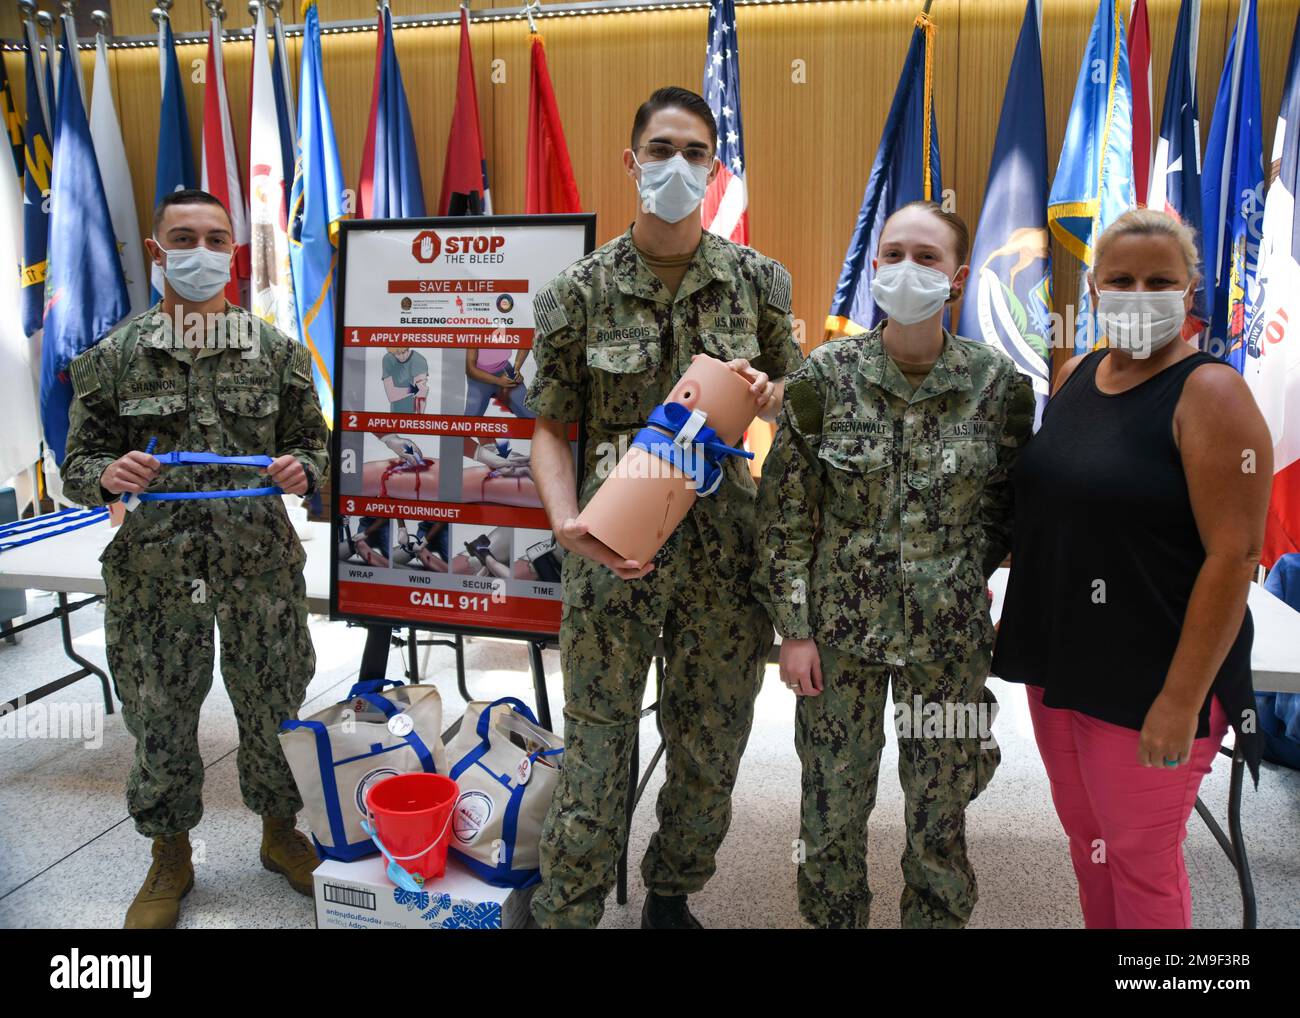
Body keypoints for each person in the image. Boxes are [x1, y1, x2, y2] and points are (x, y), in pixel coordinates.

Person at [525, 86, 804, 929]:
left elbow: (797, 394)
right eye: (661, 150)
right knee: (598, 748)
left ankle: (671, 894)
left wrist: (769, 392)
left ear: (714, 169)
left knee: (710, 745)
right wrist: (564, 521)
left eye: (694, 153)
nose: (676, 166)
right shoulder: (577, 290)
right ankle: (567, 908)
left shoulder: (757, 281)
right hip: (612, 551)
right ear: (631, 160)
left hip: (724, 557)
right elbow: (548, 426)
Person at [754, 201, 1035, 929]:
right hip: (838, 637)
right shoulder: (823, 376)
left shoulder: (1000, 385)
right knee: (831, 807)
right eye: (892, 254)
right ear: (874, 266)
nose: (906, 268)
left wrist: (959, 581)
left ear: (959, 278)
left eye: (927, 257)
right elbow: (785, 511)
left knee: (941, 811)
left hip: (947, 642)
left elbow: (1006, 504)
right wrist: (794, 629)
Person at [991, 208, 1270, 929]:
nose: (1138, 291)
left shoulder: (1212, 394)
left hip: (1155, 677)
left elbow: (1234, 554)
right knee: (1091, 849)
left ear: (1189, 292)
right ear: (1092, 288)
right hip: (1064, 663)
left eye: (1159, 280)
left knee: (1143, 866)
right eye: (1121, 278)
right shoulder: (1076, 370)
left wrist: (1181, 702)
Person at [61, 189, 329, 929]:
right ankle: (170, 853)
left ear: (233, 254)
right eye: (185, 237)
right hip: (154, 574)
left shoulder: (275, 351)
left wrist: (305, 469)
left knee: (275, 707)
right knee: (160, 717)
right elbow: (76, 464)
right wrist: (106, 476)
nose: (202, 252)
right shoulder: (112, 358)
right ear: (157, 252)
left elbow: (317, 443)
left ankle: (280, 835)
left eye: (216, 239)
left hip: (260, 570)